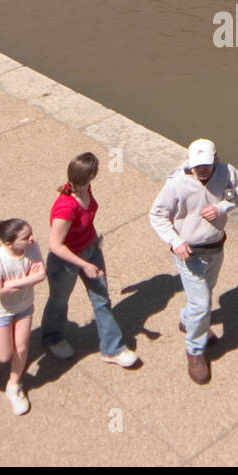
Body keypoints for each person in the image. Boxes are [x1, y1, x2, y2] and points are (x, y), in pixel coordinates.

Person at [149, 139, 238, 384]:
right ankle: (195, 350)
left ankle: (188, 320)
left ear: (216, 159)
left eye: (206, 165)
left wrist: (222, 208)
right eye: (196, 165)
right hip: (189, 253)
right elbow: (157, 214)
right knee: (202, 303)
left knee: (206, 292)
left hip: (215, 247)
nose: (201, 170)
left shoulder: (227, 172)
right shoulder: (177, 184)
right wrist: (175, 241)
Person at [40, 153, 138, 368]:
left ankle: (112, 348)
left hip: (91, 250)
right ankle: (52, 337)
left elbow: (86, 219)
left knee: (101, 299)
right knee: (59, 301)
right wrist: (84, 265)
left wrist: (93, 241)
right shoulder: (66, 207)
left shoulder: (85, 189)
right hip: (66, 261)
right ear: (89, 175)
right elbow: (55, 245)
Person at [0, 218, 46, 415]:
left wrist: (11, 284)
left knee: (21, 348)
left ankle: (13, 384)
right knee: (4, 354)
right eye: (25, 237)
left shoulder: (32, 247)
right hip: (1, 312)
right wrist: (27, 280)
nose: (31, 239)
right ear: (9, 242)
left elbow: (41, 274)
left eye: (30, 234)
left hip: (24, 306)